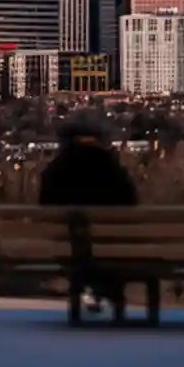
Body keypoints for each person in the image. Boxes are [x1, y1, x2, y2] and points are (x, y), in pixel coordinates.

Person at [39, 118, 137, 315]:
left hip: (68, 247)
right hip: (112, 245)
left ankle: (90, 286)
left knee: (81, 244)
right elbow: (131, 201)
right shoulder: (111, 167)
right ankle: (107, 288)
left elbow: (44, 205)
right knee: (107, 247)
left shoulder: (56, 169)